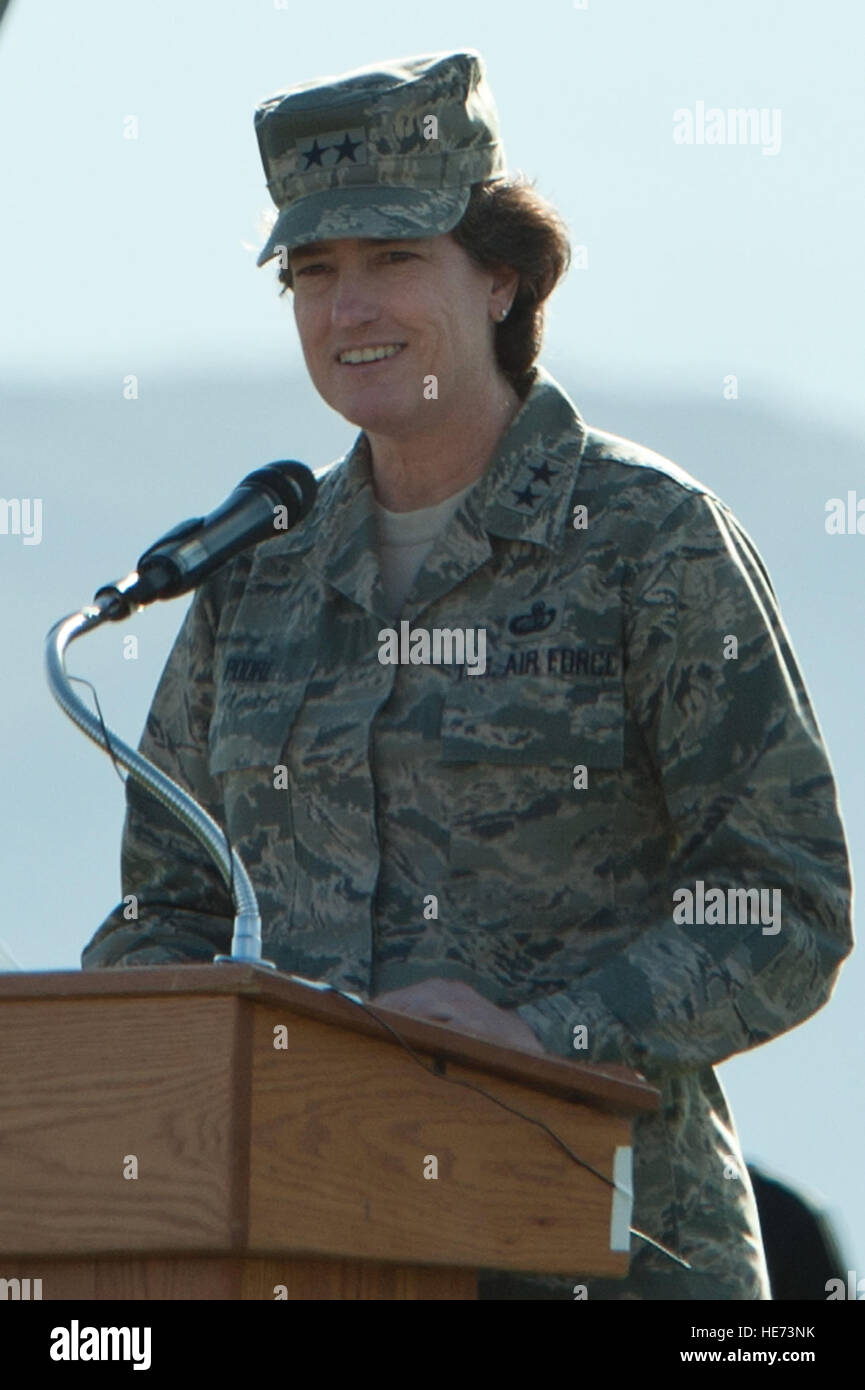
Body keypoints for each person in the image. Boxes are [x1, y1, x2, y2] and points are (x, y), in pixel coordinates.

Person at [81, 49, 853, 1301]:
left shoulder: (651, 543)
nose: (347, 310)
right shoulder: (254, 579)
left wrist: (544, 1032)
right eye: (312, 273)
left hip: (608, 1255)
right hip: (310, 1246)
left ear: (501, 276)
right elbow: (164, 908)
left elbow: (785, 900)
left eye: (392, 259)